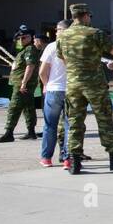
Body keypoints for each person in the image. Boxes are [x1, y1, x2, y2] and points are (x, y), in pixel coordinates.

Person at [58, 4, 113, 173]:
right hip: (94, 84)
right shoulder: (95, 33)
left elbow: (62, 57)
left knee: (75, 121)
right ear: (85, 16)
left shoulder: (63, 36)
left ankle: (74, 160)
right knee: (104, 119)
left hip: (73, 84)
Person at [0, 25, 39, 143]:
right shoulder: (24, 50)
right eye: (20, 38)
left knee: (14, 108)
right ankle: (31, 132)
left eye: (24, 37)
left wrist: (24, 83)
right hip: (23, 84)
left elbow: (30, 66)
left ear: (31, 37)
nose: (21, 40)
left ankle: (9, 133)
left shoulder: (30, 49)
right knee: (28, 107)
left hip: (22, 85)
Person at [38, 20, 70, 167]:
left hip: (54, 90)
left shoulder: (51, 47)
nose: (56, 32)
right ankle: (67, 158)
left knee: (50, 125)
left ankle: (46, 157)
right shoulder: (76, 47)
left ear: (64, 31)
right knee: (70, 125)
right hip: (71, 90)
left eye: (58, 29)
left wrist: (46, 85)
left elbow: (42, 71)